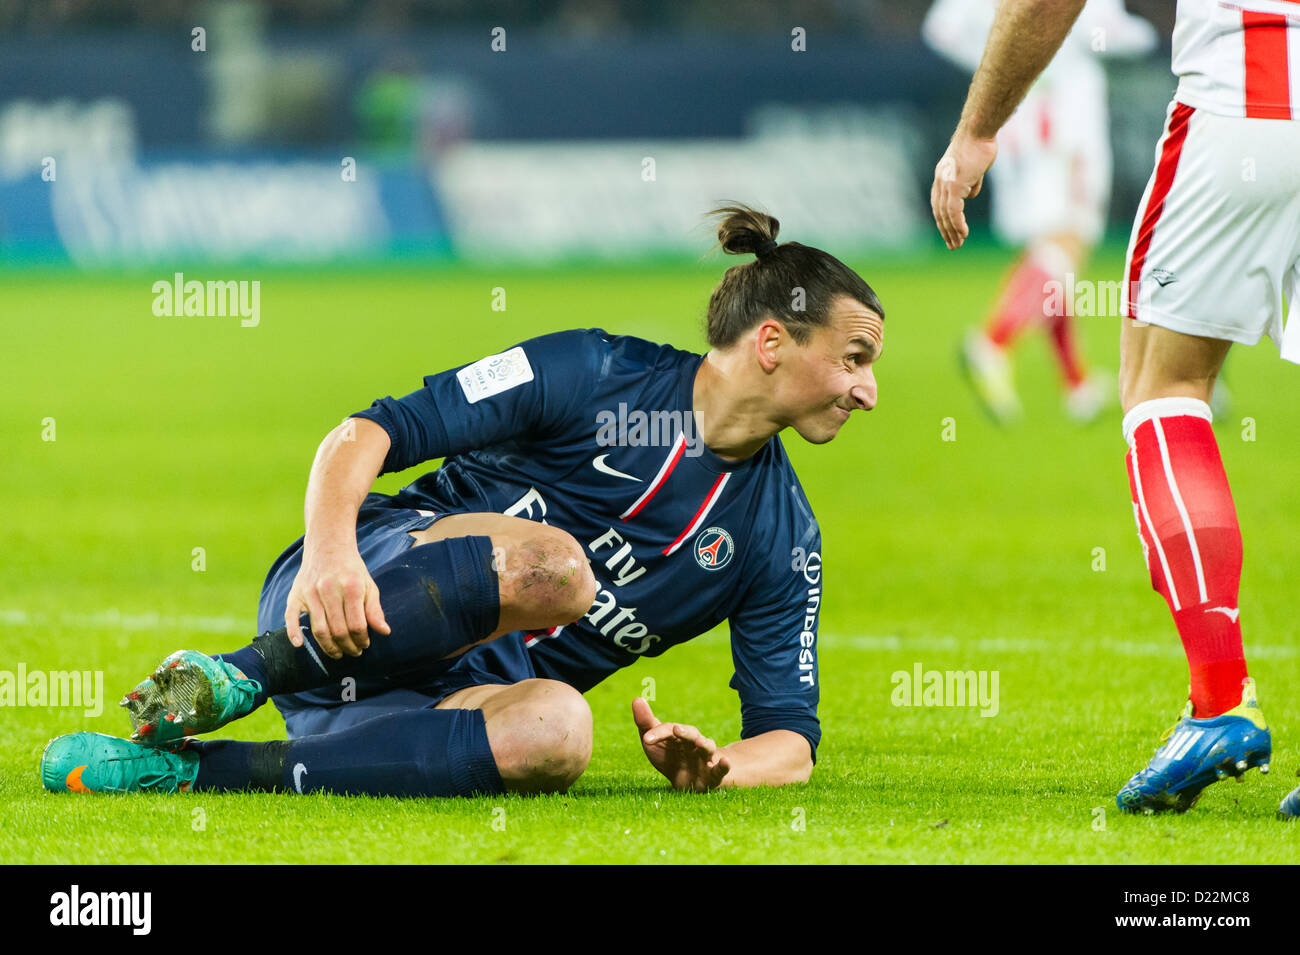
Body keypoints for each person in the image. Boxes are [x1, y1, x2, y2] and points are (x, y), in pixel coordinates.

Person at [40, 204, 885, 799]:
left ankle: (196, 772)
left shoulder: (783, 536)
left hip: (424, 704)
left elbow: (790, 737)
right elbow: (368, 430)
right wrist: (330, 553)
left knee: (561, 732)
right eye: (853, 357)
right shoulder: (592, 370)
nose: (869, 390)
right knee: (561, 567)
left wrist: (724, 766)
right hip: (344, 596)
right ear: (773, 341)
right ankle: (239, 674)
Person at [931, 0, 1300, 816]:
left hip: (1253, 91)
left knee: (1167, 387)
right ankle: (1032, 360)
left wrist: (978, 128)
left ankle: (1220, 701)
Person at [923, 0, 1155, 424]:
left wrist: (998, 65)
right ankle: (993, 343)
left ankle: (1076, 383)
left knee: (1051, 255)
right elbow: (1106, 30)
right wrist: (1149, 34)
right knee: (1068, 244)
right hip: (1064, 124)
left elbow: (941, 29)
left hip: (1009, 122)